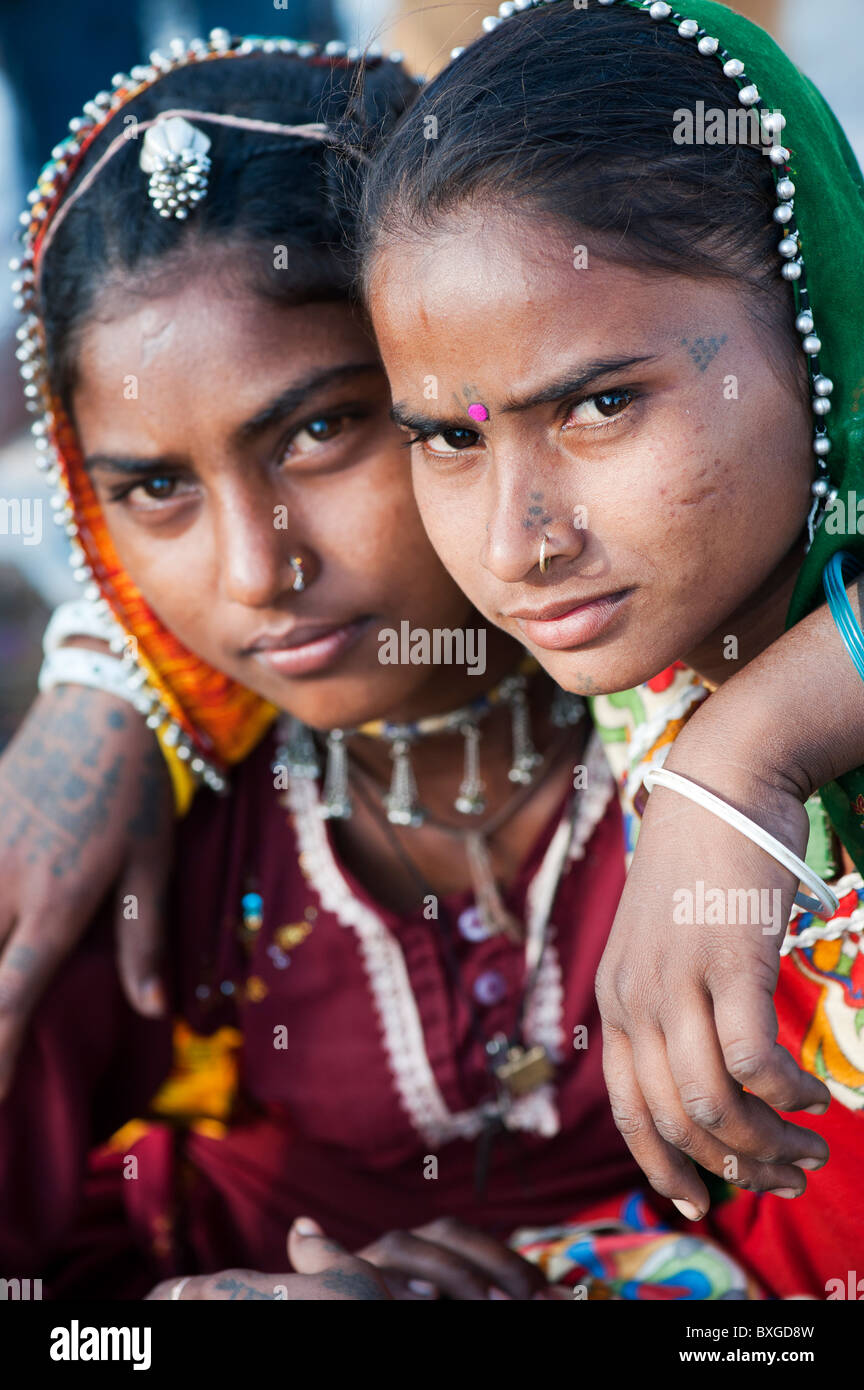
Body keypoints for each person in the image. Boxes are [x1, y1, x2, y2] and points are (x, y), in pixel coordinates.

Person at [2, 29, 754, 1303]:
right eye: (156, 488)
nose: (255, 570)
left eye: (324, 428)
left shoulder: (746, 730)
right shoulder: (108, 847)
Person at [359, 0, 864, 1296]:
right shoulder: (652, 659)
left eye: (599, 403)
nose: (520, 542)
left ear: (816, 323)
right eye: (453, 436)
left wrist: (747, 753)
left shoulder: (731, 716)